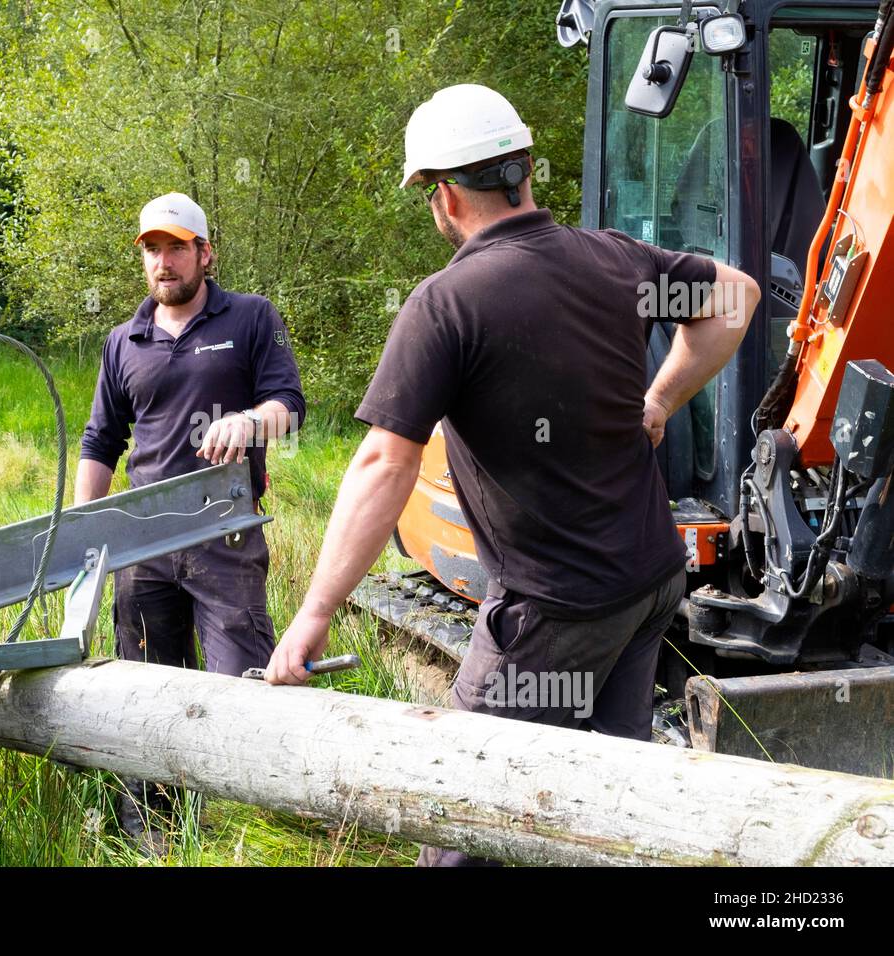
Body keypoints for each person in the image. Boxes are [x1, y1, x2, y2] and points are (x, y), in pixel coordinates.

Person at [263, 85, 759, 866]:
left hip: (556, 611)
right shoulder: (617, 260)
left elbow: (386, 463)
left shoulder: (446, 304)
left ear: (445, 196)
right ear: (526, 172)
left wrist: (312, 613)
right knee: (604, 794)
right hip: (650, 581)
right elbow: (738, 296)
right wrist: (660, 398)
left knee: (462, 808)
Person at [77, 191, 305, 854]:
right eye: (152, 248)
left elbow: (291, 405)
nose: (163, 260)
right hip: (140, 544)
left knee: (242, 687)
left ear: (206, 253)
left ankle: (257, 826)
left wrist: (249, 419)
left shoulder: (253, 318)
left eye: (176, 246)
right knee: (144, 688)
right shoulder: (125, 341)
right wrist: (84, 535)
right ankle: (152, 831)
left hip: (225, 538)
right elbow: (100, 441)